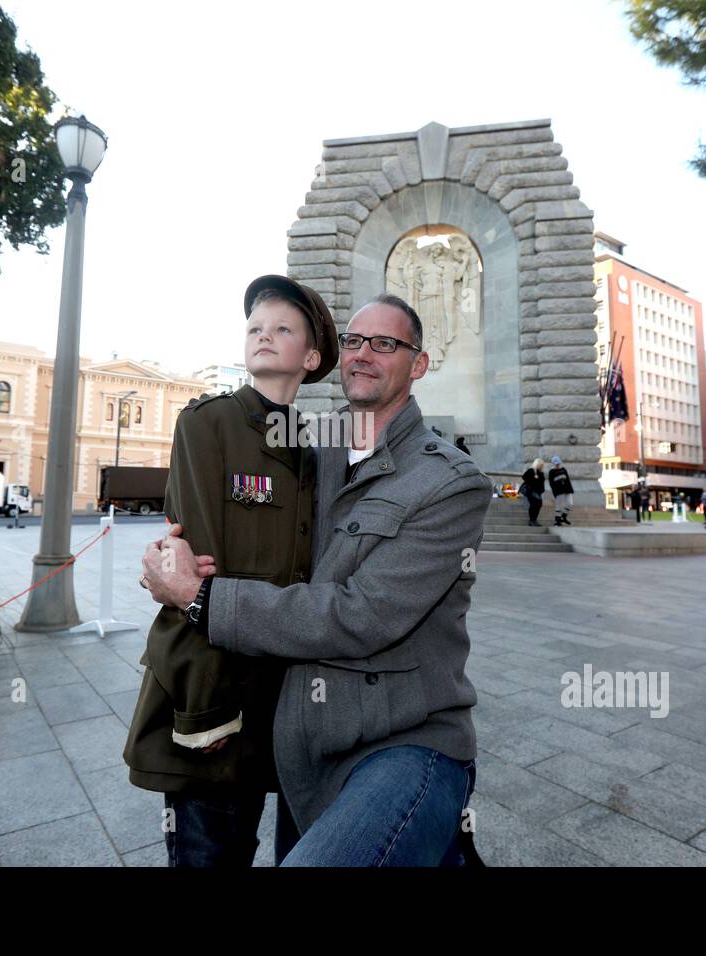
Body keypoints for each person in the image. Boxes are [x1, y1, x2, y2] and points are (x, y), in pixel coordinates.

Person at [142, 292, 491, 867]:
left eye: (386, 343)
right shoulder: (306, 450)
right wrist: (170, 555)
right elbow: (242, 530)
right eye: (354, 341)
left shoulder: (451, 483)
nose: (363, 354)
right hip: (301, 749)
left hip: (404, 742)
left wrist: (201, 597)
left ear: (419, 364)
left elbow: (362, 615)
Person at [123, 274, 339, 866]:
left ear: (311, 356)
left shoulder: (313, 451)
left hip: (282, 699)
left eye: (282, 329)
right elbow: (194, 580)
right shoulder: (209, 423)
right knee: (210, 854)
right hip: (214, 694)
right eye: (255, 328)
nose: (264, 336)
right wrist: (205, 713)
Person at [548, 455, 574, 526]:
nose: (558, 464)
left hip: (567, 489)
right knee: (559, 505)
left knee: (570, 503)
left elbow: (568, 479)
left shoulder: (563, 469)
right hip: (559, 491)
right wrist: (554, 492)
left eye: (558, 463)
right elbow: (551, 483)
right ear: (553, 463)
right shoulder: (551, 471)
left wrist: (571, 489)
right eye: (556, 463)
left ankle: (564, 516)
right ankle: (558, 520)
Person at [521, 457, 545, 527]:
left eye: (542, 465)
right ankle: (532, 520)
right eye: (540, 465)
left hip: (538, 491)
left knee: (538, 504)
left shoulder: (541, 473)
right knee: (534, 505)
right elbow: (524, 477)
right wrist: (534, 479)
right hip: (532, 491)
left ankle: (534, 520)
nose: (541, 466)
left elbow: (542, 481)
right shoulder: (531, 471)